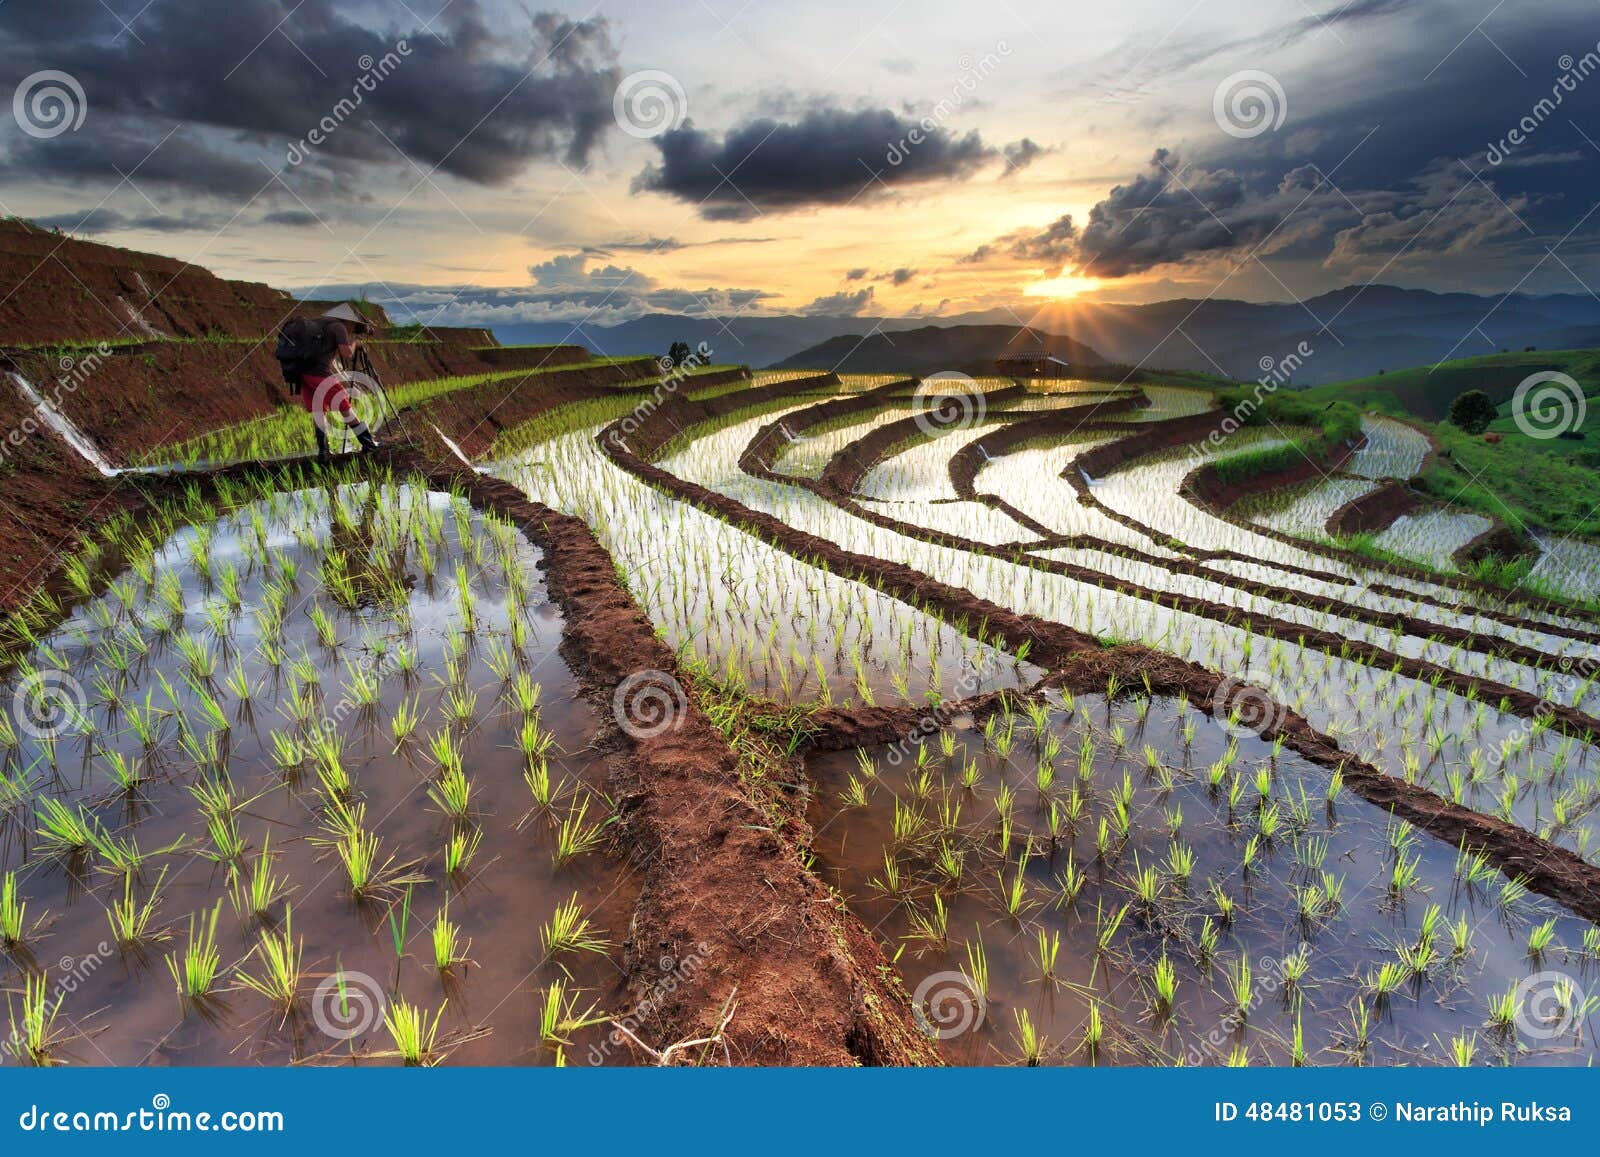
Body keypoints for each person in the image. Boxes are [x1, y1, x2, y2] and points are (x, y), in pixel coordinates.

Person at [300, 303, 381, 462]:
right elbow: (347, 353)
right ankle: (368, 443)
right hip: (318, 373)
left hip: (302, 372)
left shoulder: (319, 324)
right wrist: (356, 343)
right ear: (349, 321)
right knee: (343, 405)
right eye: (355, 325)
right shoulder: (339, 327)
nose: (354, 328)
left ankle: (323, 452)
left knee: (318, 409)